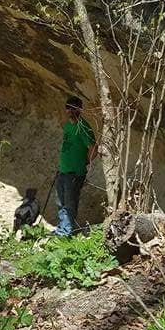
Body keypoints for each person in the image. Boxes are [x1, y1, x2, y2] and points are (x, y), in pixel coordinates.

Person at [55, 96, 97, 237]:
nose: (69, 111)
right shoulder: (68, 126)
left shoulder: (83, 127)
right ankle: (62, 228)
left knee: (70, 203)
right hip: (63, 170)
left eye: (73, 108)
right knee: (61, 201)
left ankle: (66, 232)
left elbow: (93, 148)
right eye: (68, 107)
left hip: (75, 172)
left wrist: (85, 162)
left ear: (80, 110)